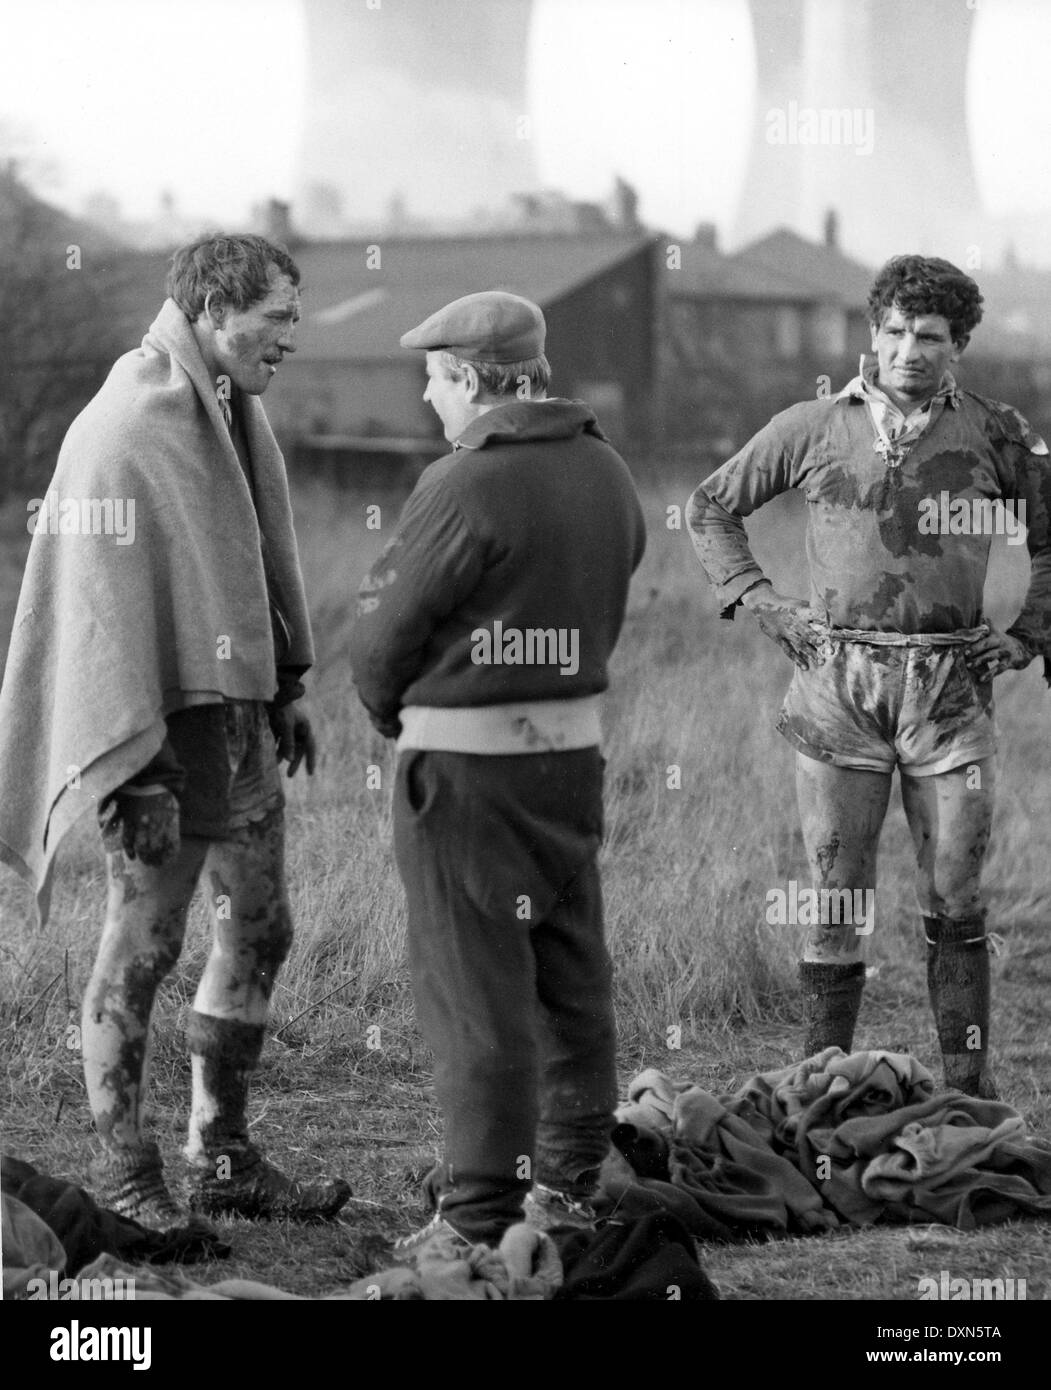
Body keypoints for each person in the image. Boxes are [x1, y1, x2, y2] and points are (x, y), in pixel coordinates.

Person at [0, 234, 350, 1232]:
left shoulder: (233, 411)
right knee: (142, 947)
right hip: (160, 740)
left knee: (263, 926)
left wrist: (283, 683)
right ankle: (122, 1172)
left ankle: (222, 1155)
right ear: (213, 307)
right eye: (276, 315)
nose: (291, 336)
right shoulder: (125, 422)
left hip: (238, 722)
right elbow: (103, 612)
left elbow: (241, 560)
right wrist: (134, 769)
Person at [686, 254, 1051, 1098]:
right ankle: (820, 1087)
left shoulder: (997, 432)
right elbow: (710, 506)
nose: (909, 351)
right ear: (872, 333)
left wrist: (1029, 633)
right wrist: (762, 602)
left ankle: (967, 1090)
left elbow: (1050, 541)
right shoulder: (814, 424)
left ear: (958, 344)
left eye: (929, 336)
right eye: (894, 332)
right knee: (835, 889)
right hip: (836, 682)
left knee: (955, 889)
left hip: (950, 689)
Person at [350, 290, 646, 1249]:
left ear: (473, 378)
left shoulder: (462, 484)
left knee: (473, 995)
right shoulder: (607, 470)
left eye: (435, 379)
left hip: (466, 779)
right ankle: (567, 1181)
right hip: (570, 763)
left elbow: (381, 638)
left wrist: (393, 711)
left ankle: (477, 1216)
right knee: (569, 976)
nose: (430, 399)